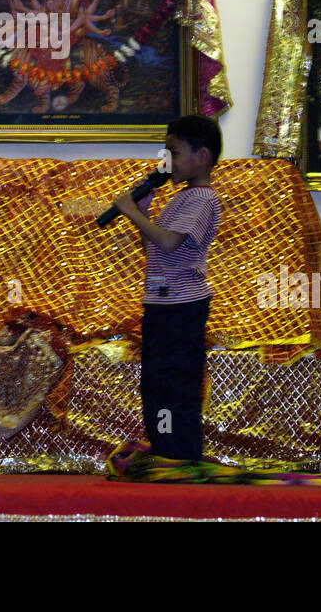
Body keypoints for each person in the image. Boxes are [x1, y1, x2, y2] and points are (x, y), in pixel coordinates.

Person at [112, 114, 223, 463]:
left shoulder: (202, 199)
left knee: (176, 385)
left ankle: (180, 457)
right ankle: (164, 452)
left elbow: (171, 242)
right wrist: (142, 211)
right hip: (162, 305)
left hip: (181, 308)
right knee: (157, 384)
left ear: (202, 156)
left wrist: (132, 212)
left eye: (173, 152)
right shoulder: (181, 198)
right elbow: (155, 247)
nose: (166, 160)